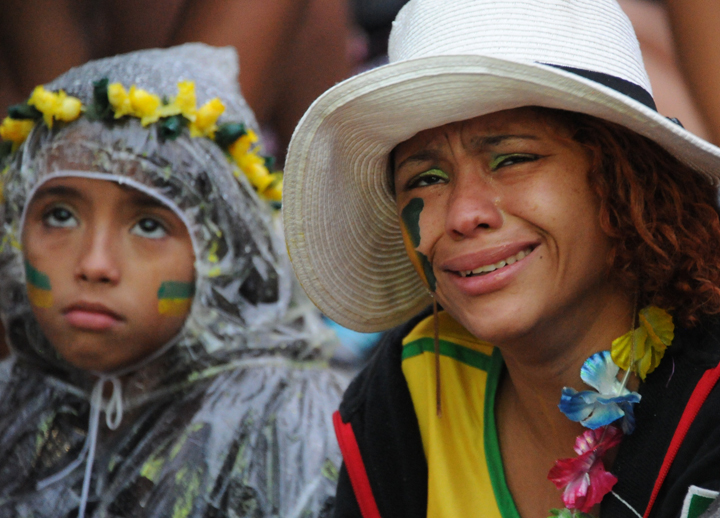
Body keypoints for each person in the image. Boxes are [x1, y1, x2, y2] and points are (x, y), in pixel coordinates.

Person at [281, 0, 720, 517]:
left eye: (513, 159)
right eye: (425, 178)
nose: (465, 214)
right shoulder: (404, 396)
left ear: (625, 181)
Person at [0, 43, 344, 517]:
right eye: (59, 215)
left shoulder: (288, 428)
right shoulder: (14, 406)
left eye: (148, 225)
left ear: (222, 254)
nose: (95, 264)